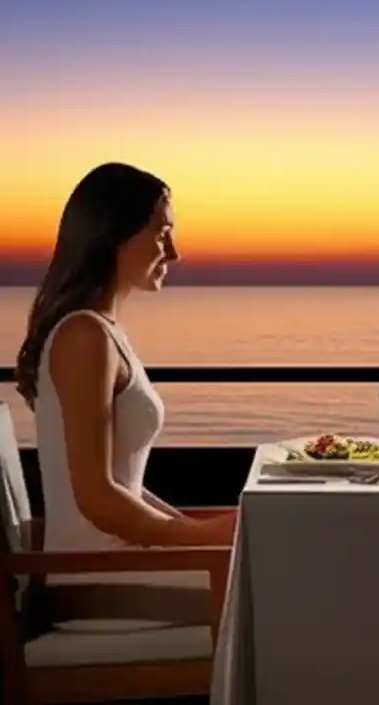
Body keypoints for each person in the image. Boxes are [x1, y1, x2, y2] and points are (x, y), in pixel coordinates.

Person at [14, 162, 235, 627]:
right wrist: (199, 536)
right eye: (161, 233)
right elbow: (97, 498)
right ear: (113, 236)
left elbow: (123, 487)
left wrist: (206, 533)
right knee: (277, 588)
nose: (173, 252)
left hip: (119, 568)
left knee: (274, 570)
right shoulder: (83, 337)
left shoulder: (104, 331)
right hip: (94, 584)